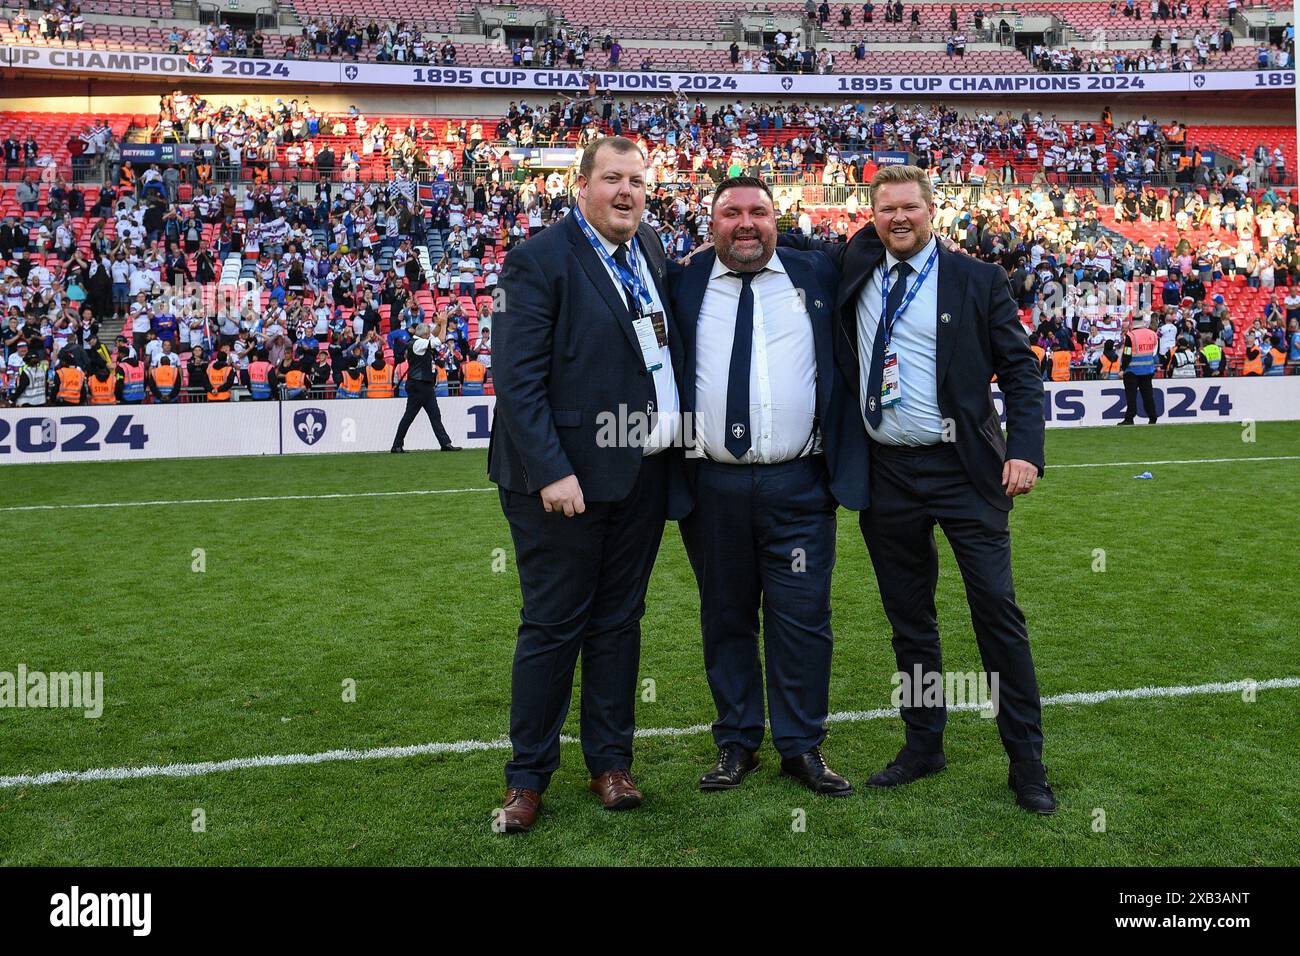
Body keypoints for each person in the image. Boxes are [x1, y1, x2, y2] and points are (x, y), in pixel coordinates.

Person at [783, 164, 1054, 814]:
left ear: (933, 211)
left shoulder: (978, 279)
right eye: (887, 210)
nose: (899, 218)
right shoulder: (856, 265)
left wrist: (1025, 452)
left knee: (997, 613)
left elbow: (1020, 372)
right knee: (910, 621)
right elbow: (793, 251)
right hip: (887, 473)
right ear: (870, 217)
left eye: (909, 207)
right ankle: (923, 743)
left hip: (965, 469)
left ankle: (1027, 763)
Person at [488, 136, 687, 833]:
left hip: (640, 473)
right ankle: (527, 779)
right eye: (613, 179)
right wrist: (552, 470)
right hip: (563, 483)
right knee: (552, 628)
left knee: (617, 625)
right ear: (580, 186)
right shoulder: (536, 260)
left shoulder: (651, 251)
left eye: (637, 180)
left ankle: (610, 764)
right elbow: (515, 381)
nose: (627, 192)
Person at [668, 177, 865, 795]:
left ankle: (802, 746)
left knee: (803, 619)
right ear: (712, 224)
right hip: (713, 486)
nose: (746, 223)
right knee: (725, 618)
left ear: (778, 220)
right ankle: (737, 742)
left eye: (758, 211)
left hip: (801, 484)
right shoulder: (684, 283)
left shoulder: (818, 273)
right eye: (731, 213)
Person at [390, 324, 461, 450]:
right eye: (427, 335)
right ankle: (397, 445)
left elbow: (433, 334)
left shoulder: (418, 341)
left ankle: (445, 443)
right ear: (423, 335)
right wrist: (444, 324)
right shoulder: (418, 344)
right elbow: (439, 340)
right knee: (409, 416)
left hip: (425, 385)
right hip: (419, 385)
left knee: (435, 416)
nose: (429, 336)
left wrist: (439, 324)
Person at [1119, 314, 1160, 424]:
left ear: (1133, 323)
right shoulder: (1153, 334)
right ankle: (1152, 416)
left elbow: (1127, 354)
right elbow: (1154, 352)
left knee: (1131, 396)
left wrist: (1123, 368)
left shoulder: (1131, 335)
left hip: (1132, 371)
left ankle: (1130, 418)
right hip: (1148, 370)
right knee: (1148, 396)